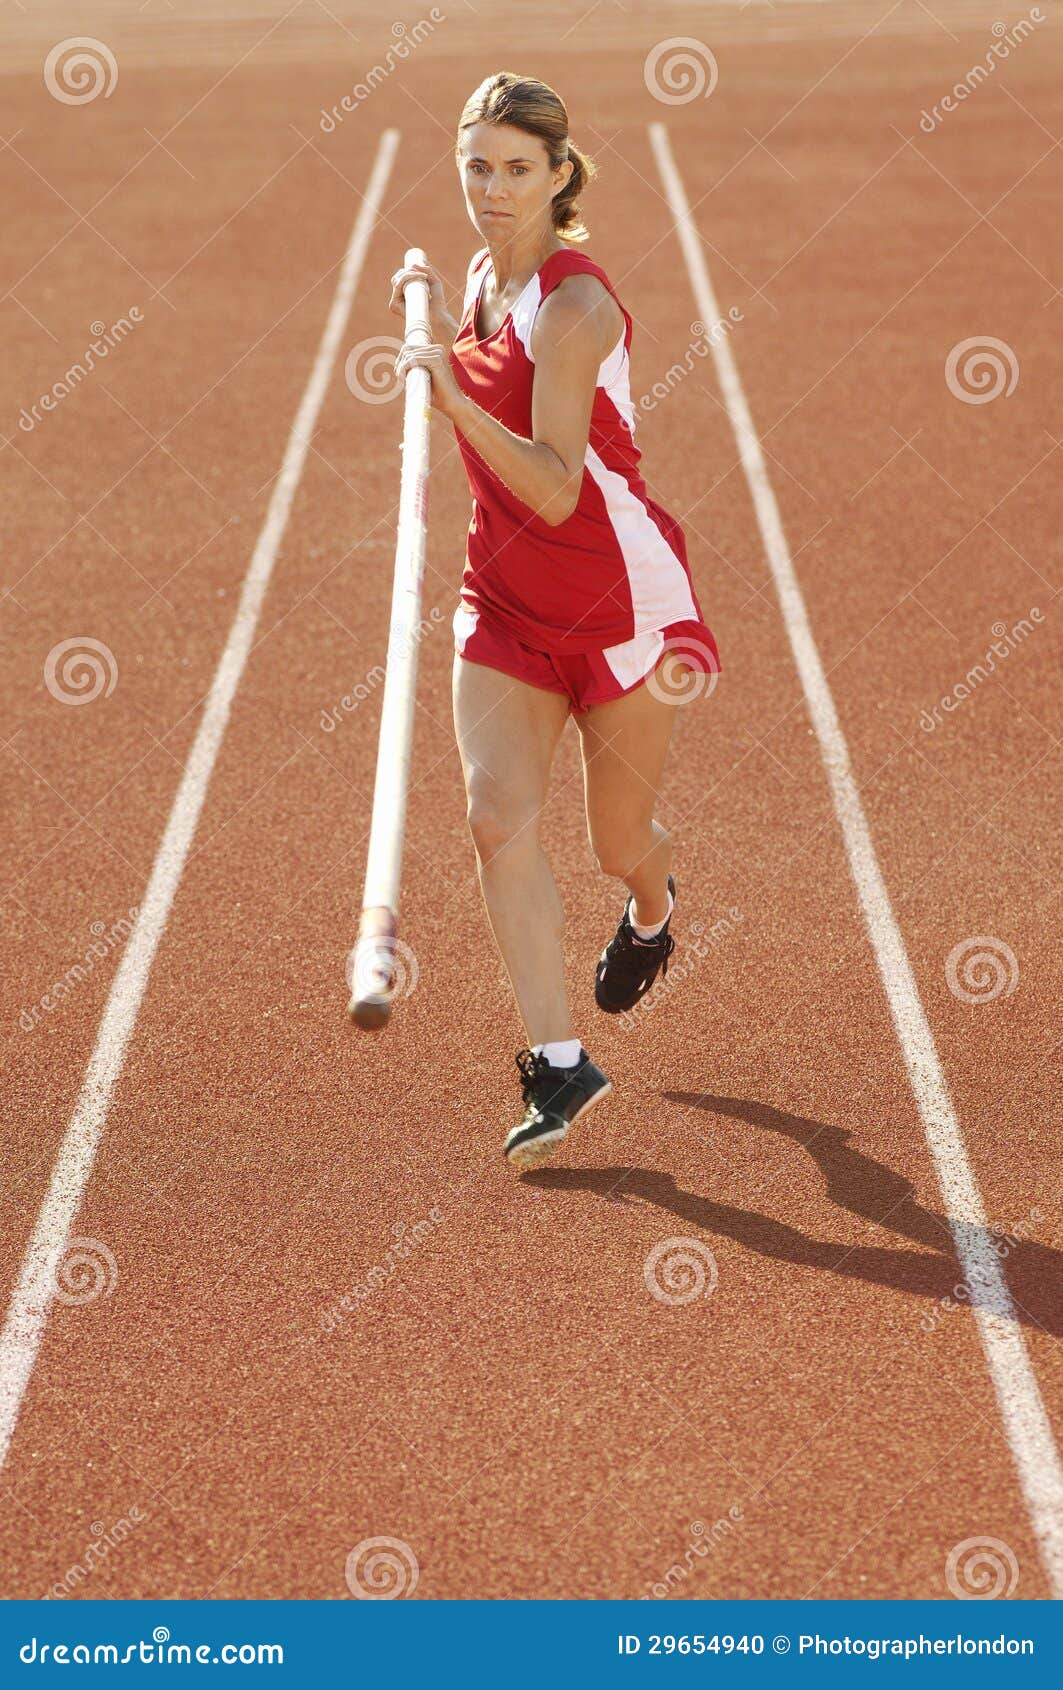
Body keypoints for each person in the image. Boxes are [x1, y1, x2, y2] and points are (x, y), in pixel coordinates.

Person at [389, 71, 719, 1169]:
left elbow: (557, 485)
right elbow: (483, 379)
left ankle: (652, 905)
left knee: (615, 839)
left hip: (618, 601)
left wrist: (450, 397)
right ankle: (559, 1060)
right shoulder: (483, 275)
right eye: (476, 165)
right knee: (496, 816)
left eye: (516, 169)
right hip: (506, 602)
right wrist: (437, 322)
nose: (491, 188)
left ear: (560, 174)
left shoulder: (578, 307)